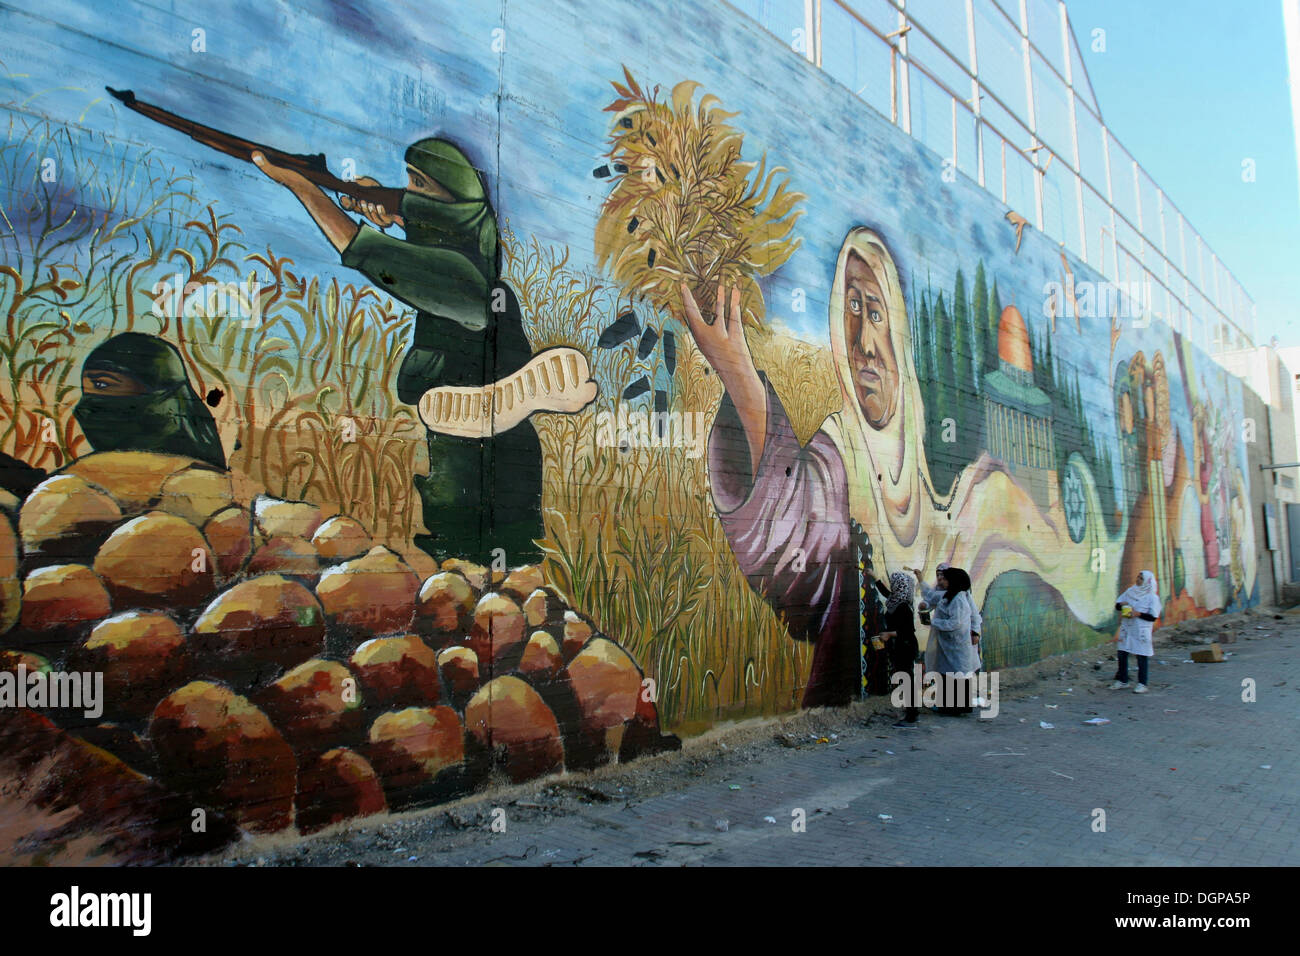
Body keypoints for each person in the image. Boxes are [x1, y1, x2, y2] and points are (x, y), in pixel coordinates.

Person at [684, 228, 1118, 706]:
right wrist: (741, 375)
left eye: (875, 312)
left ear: (899, 336)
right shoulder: (838, 454)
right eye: (851, 309)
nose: (866, 344)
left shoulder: (964, 498)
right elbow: (790, 545)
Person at [252, 138, 542, 564]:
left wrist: (304, 187)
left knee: (481, 574)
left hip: (489, 474)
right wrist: (392, 208)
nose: (407, 192)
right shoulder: (468, 267)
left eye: (419, 185)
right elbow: (427, 247)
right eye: (406, 181)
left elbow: (370, 253)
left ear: (454, 204)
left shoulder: (466, 282)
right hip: (465, 456)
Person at [73, 332, 226, 469]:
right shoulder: (95, 473)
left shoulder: (195, 479)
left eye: (102, 385)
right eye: (86, 391)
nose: (84, 408)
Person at [926, 566, 980, 714]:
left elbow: (955, 623)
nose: (942, 581)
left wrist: (933, 623)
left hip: (957, 646)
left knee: (957, 676)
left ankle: (956, 707)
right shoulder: (949, 595)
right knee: (948, 674)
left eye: (945, 578)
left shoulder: (960, 599)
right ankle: (948, 706)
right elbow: (930, 598)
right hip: (948, 645)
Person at [872, 571, 919, 725]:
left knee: (906, 679)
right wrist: (874, 576)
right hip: (900, 647)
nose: (892, 586)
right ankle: (910, 711)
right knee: (904, 678)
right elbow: (886, 593)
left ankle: (911, 715)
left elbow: (908, 631)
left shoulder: (903, 607)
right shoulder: (896, 600)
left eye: (894, 583)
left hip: (905, 647)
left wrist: (889, 635)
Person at [1111, 569, 1162, 693]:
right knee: (1122, 653)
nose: (1137, 579)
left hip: (1140, 629)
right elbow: (1118, 604)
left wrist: (1138, 614)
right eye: (1138, 577)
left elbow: (1153, 616)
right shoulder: (1130, 591)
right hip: (1127, 627)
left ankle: (1142, 683)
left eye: (1141, 578)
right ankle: (1123, 680)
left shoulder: (1152, 597)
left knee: (1141, 655)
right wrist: (1122, 605)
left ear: (1147, 582)